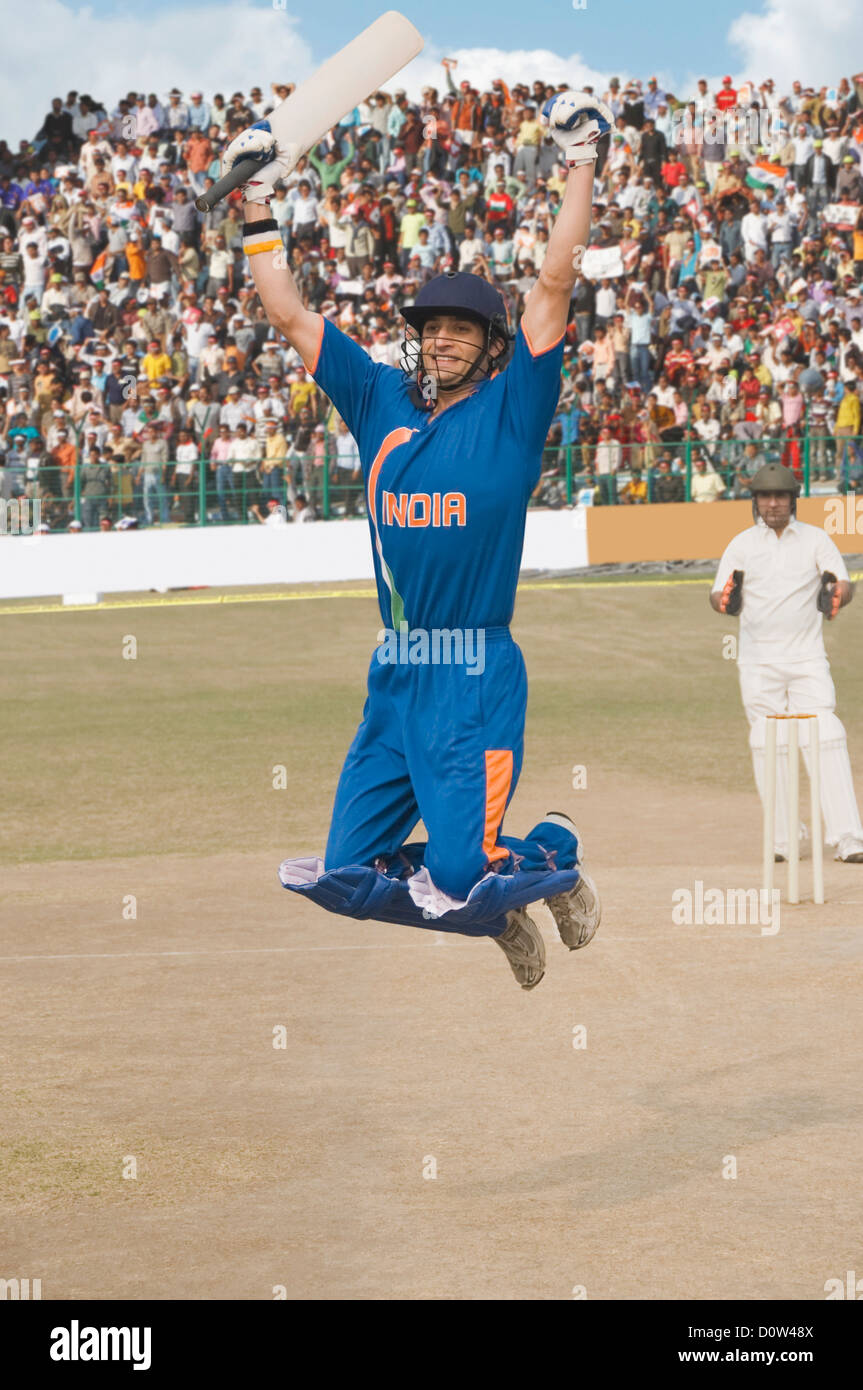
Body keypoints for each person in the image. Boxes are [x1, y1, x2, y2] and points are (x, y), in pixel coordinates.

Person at [227, 88, 609, 988]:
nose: (438, 340)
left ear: (489, 345)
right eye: (429, 327)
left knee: (456, 873)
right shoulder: (380, 403)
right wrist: (255, 202)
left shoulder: (515, 411)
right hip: (397, 668)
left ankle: (551, 855)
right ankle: (492, 908)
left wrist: (582, 160)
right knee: (343, 874)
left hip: (473, 671)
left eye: (459, 329)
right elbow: (285, 309)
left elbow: (554, 279)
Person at [711, 463, 863, 864]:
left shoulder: (815, 539)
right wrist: (727, 599)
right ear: (756, 501)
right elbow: (718, 594)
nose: (773, 503)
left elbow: (842, 583)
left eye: (780, 496)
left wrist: (837, 594)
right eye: (765, 496)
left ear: (793, 500)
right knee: (768, 744)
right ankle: (784, 838)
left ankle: (848, 837)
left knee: (827, 735)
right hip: (758, 663)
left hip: (807, 657)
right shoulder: (742, 544)